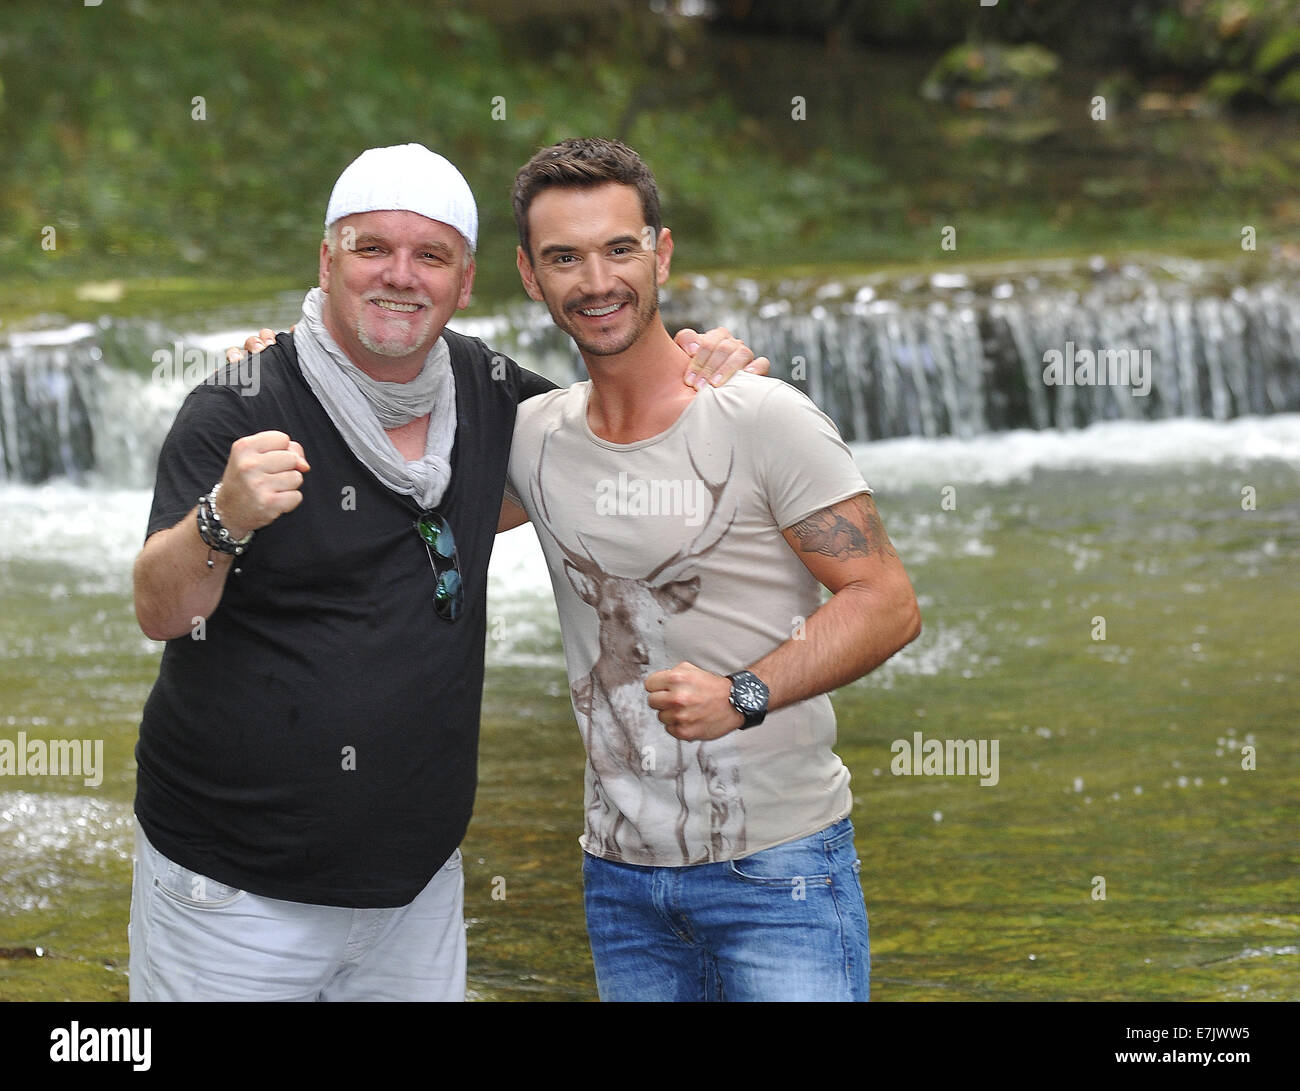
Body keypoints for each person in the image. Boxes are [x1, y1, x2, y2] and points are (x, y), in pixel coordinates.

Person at [129, 142, 762, 1002]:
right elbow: (160, 608)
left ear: (466, 282)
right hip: (230, 890)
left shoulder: (495, 393)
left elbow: (621, 429)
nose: (400, 276)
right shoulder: (239, 403)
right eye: (371, 249)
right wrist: (223, 516)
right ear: (327, 260)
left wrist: (708, 366)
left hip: (414, 891)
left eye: (430, 255)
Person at [499, 138, 922, 1001]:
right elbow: (397, 488)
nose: (597, 280)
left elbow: (887, 601)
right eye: (564, 258)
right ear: (528, 275)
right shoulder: (529, 439)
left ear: (661, 251)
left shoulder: (761, 416)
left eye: (620, 248)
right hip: (620, 883)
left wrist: (744, 693)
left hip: (781, 872)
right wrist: (293, 361)